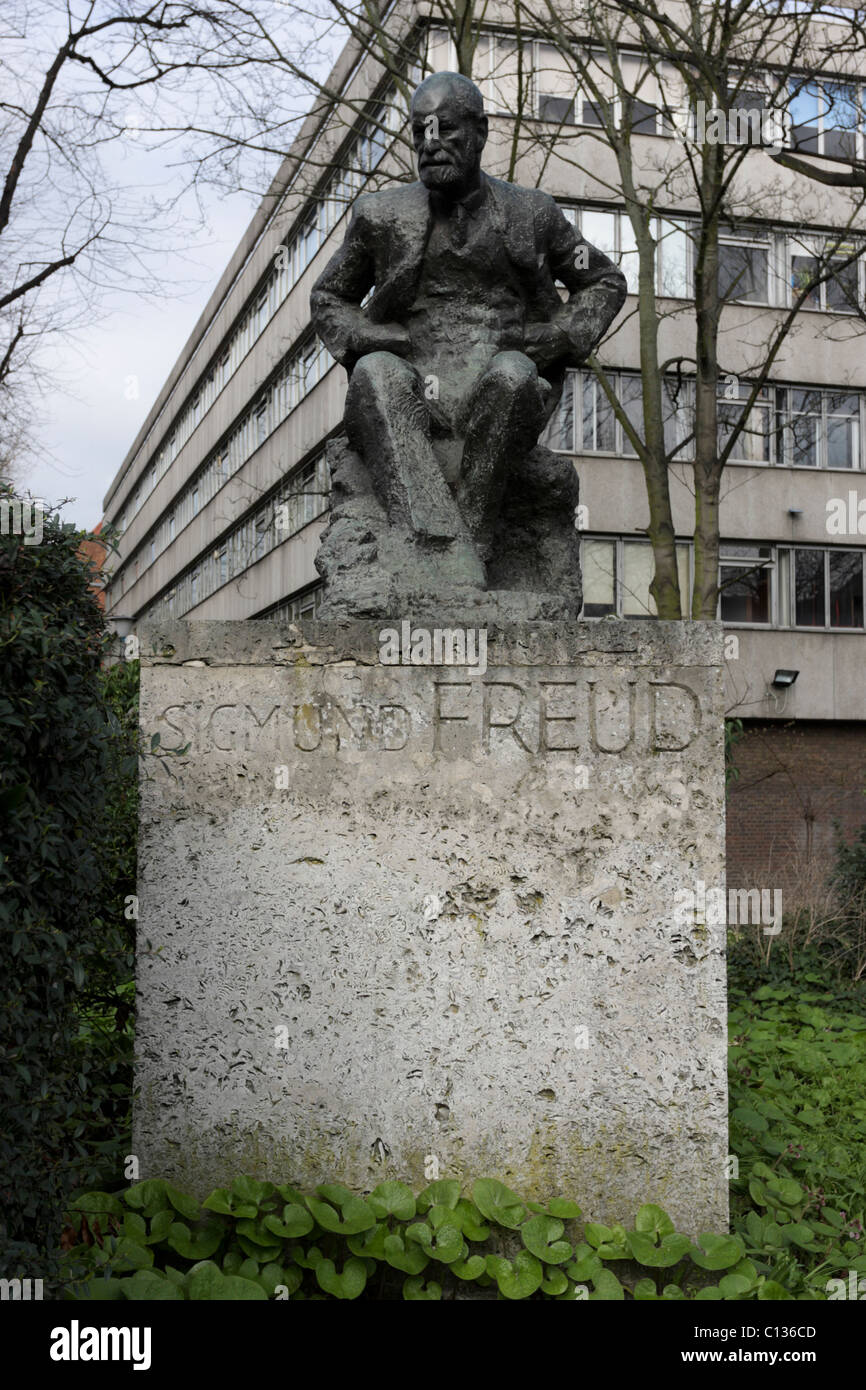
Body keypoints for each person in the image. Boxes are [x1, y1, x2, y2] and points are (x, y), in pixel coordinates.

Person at [311, 70, 626, 559]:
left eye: (445, 129)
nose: (431, 144)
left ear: (480, 131)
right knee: (376, 374)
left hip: (497, 380)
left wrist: (558, 337)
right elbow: (329, 298)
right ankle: (431, 538)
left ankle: (472, 540)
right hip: (412, 378)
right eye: (420, 132)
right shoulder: (380, 216)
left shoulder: (533, 214)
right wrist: (374, 340)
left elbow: (602, 279)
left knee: (514, 375)